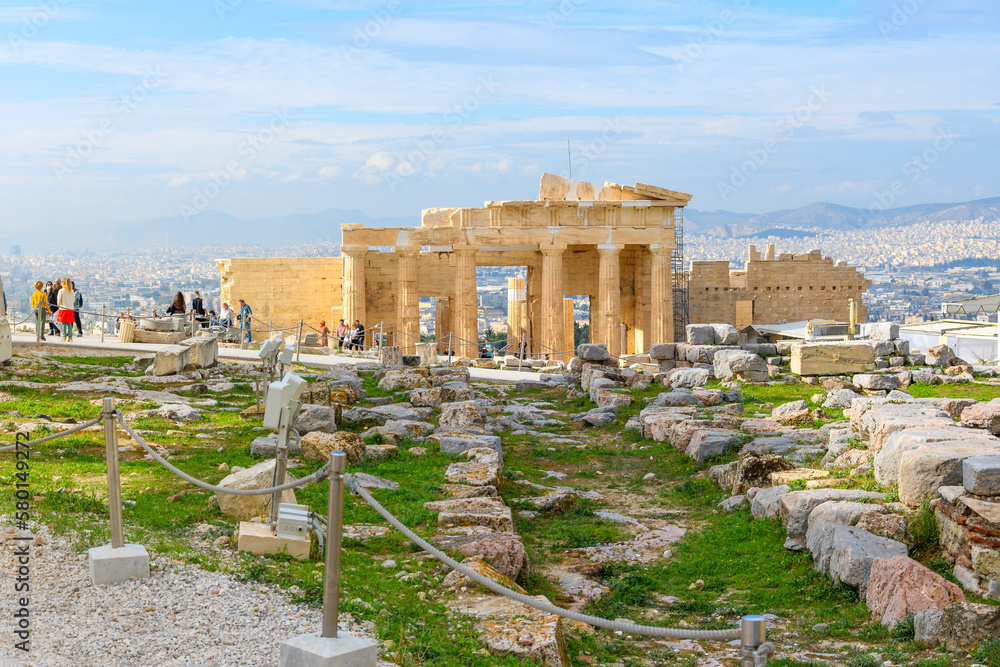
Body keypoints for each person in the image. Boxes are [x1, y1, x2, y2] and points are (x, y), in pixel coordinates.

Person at [56, 277, 75, 342]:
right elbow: (73, 300)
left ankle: (64, 337)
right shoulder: (71, 291)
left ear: (63, 283)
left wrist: (60, 305)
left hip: (63, 309)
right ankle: (70, 337)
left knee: (63, 324)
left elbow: (58, 301)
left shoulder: (61, 291)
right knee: (69, 324)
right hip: (70, 309)